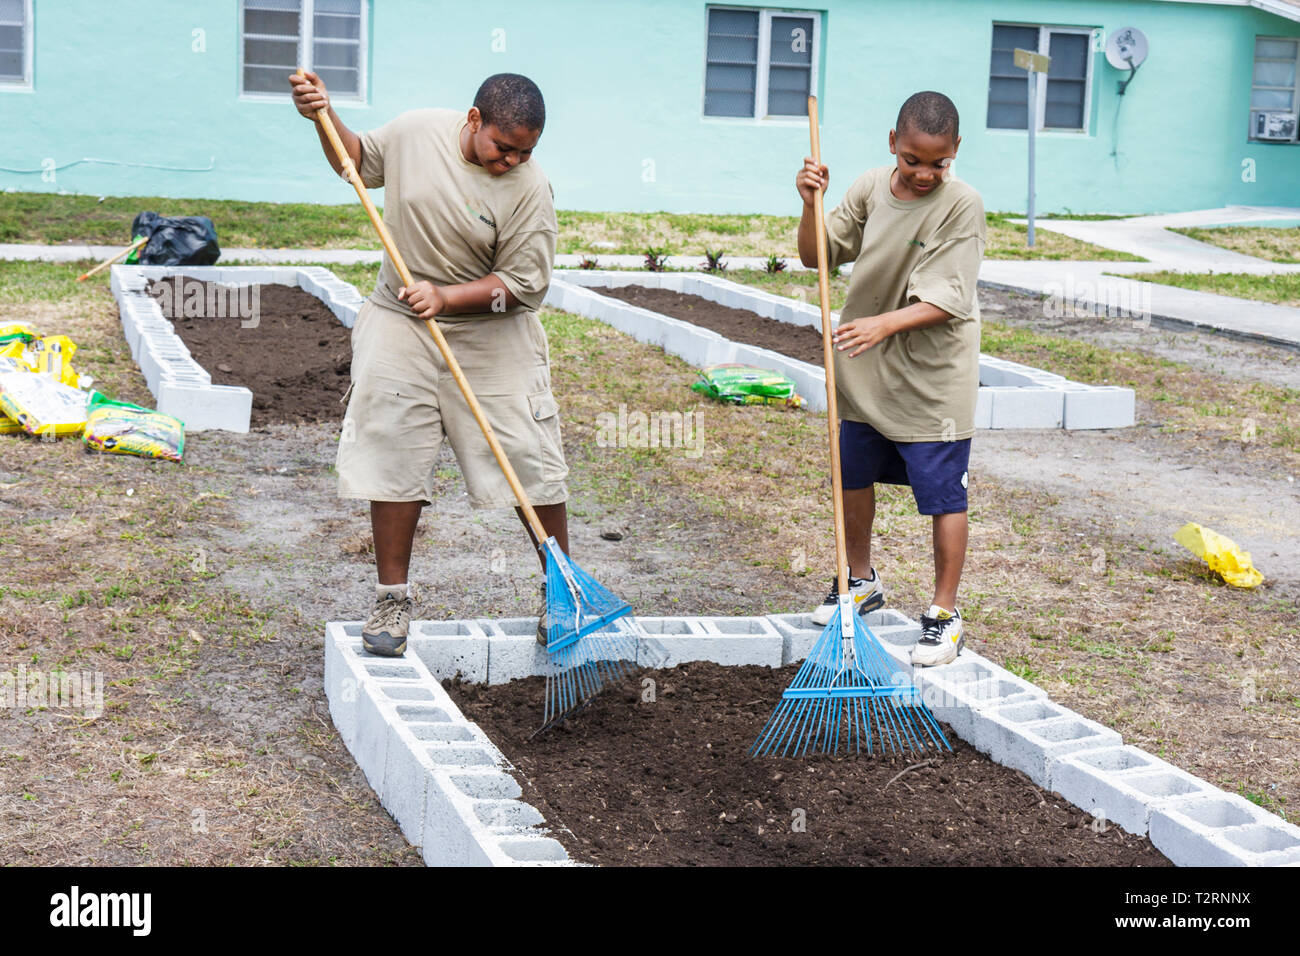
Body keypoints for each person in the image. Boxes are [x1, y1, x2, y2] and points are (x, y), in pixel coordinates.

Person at [289, 70, 569, 657]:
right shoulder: (418, 132)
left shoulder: (530, 190)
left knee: (527, 455)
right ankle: (392, 599)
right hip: (400, 319)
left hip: (493, 328)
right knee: (392, 446)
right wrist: (323, 116)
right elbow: (355, 162)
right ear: (474, 120)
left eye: (525, 152)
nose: (512, 162)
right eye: (503, 148)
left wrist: (447, 297)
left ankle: (562, 590)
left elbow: (523, 286)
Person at [797, 91, 986, 667]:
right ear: (892, 146)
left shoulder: (963, 205)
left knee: (942, 496)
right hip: (866, 368)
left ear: (955, 153)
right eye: (912, 159)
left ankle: (944, 615)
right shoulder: (868, 188)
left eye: (939, 162)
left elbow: (950, 298)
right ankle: (860, 582)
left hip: (932, 379)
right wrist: (809, 203)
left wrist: (880, 324)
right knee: (852, 475)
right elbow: (817, 258)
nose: (925, 173)